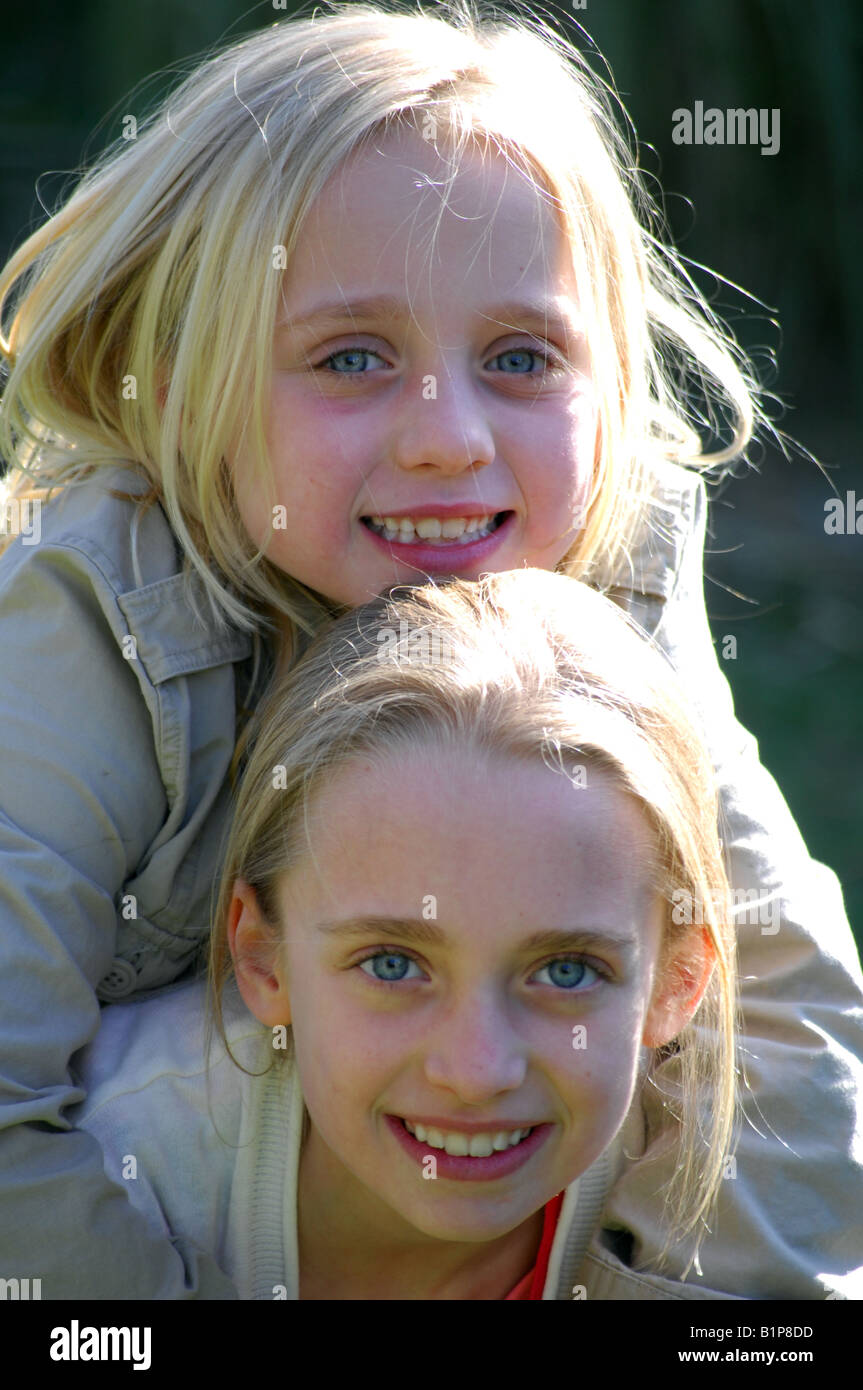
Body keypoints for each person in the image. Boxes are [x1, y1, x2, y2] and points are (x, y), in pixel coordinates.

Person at [0, 0, 860, 1299]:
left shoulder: (607, 578)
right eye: (350, 357)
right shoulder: (93, 611)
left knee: (636, 1023)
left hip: (433, 1163)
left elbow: (791, 1007)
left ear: (611, 382)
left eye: (519, 357)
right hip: (170, 1197)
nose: (448, 435)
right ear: (182, 385)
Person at [72, 569, 738, 1300]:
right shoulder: (103, 1172)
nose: (477, 1072)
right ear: (263, 958)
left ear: (676, 984)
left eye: (566, 972)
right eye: (391, 963)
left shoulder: (738, 1219)